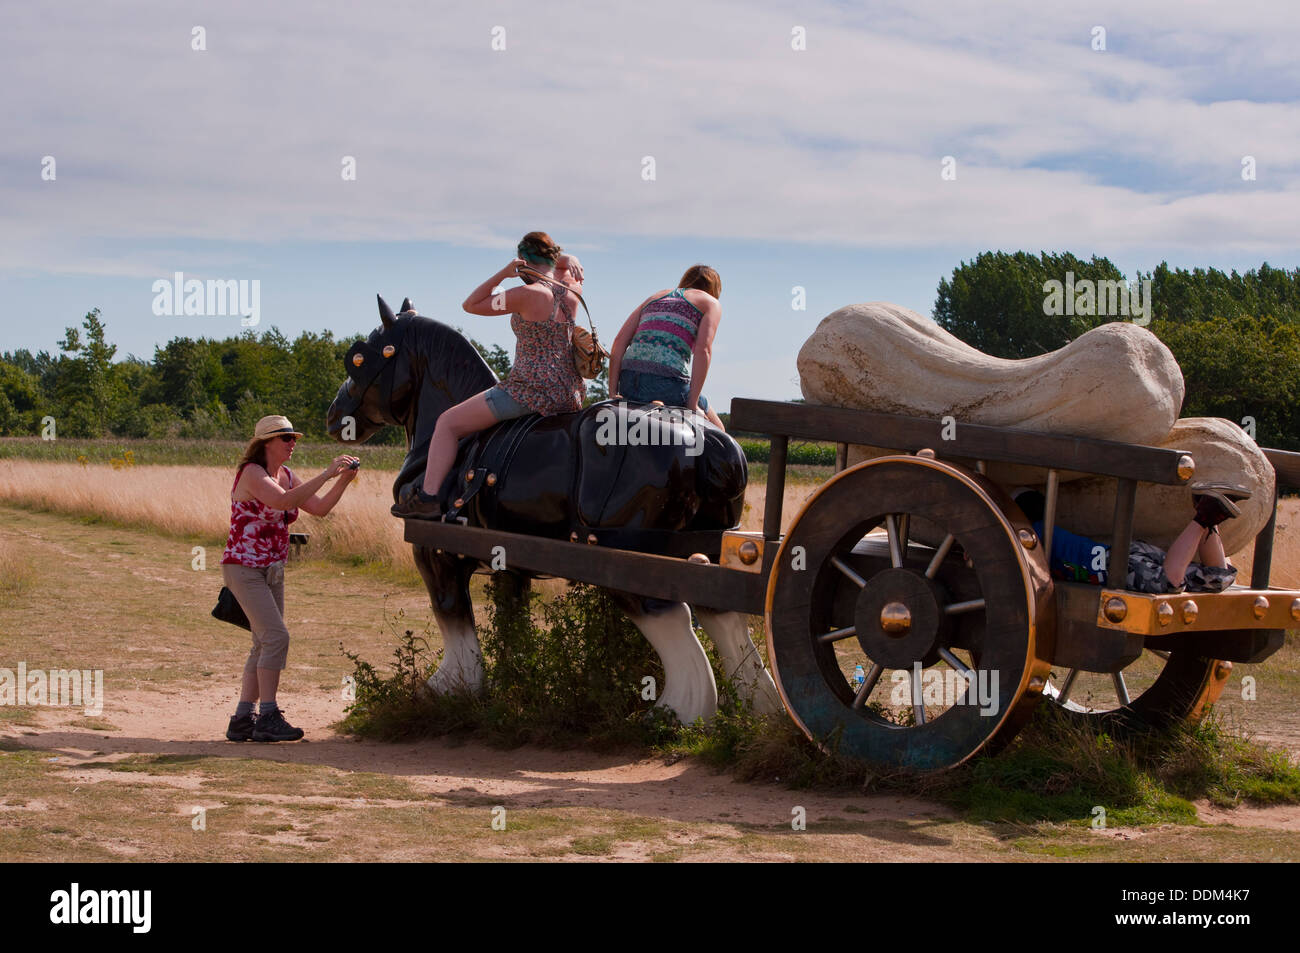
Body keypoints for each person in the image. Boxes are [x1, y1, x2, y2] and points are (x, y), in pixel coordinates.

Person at [392, 231, 586, 520]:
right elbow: (570, 270)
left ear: (523, 261)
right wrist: (568, 259)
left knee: (447, 424)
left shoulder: (528, 295)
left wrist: (504, 273)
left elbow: (471, 304)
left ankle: (428, 496)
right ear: (554, 259)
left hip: (529, 391)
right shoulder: (571, 292)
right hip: (569, 393)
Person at [222, 415, 359, 742]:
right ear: (266, 443)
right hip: (243, 566)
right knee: (276, 638)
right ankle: (267, 715)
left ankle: (243, 719)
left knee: (263, 641)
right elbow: (282, 501)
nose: (292, 443)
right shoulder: (252, 473)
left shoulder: (286, 474)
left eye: (293, 437)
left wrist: (343, 480)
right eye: (286, 438)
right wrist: (327, 473)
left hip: (272, 567)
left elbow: (320, 508)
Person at [1012, 483, 1249, 594]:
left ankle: (1203, 515)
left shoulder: (1032, 538)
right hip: (1125, 557)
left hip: (1118, 566)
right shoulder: (1045, 532)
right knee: (1216, 578)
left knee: (1168, 582)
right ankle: (1210, 514)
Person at [608, 264, 726, 431]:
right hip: (666, 385)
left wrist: (613, 392)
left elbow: (619, 341)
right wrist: (692, 405)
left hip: (628, 383)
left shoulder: (655, 297)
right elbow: (703, 350)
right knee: (719, 431)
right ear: (715, 289)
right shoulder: (711, 303)